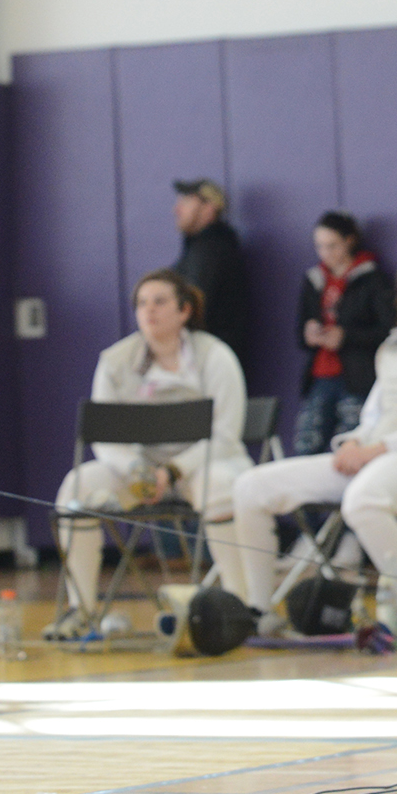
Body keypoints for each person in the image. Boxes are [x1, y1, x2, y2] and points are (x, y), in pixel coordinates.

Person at [232, 243, 397, 647]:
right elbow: (375, 411)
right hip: (376, 460)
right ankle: (258, 610)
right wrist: (354, 442)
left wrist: (377, 449)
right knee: (251, 487)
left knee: (362, 500)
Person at [49, 269, 250, 640]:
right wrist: (139, 470)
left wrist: (172, 471)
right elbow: (106, 436)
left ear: (184, 311)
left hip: (202, 465)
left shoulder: (216, 356)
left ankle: (240, 608)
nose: (149, 311)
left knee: (224, 486)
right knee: (77, 487)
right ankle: (82, 610)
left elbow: (225, 433)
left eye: (160, 302)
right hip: (138, 471)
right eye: (142, 303)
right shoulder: (114, 360)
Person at [295, 212, 393, 458]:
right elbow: (299, 332)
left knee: (351, 444)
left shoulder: (371, 279)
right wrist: (309, 334)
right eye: (319, 246)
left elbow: (388, 331)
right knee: (307, 443)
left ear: (349, 241)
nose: (324, 253)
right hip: (320, 376)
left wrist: (346, 337)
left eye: (332, 246)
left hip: (357, 377)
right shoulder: (314, 280)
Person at [172, 178, 249, 364]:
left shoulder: (211, 250)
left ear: (209, 208)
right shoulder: (200, 248)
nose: (177, 209)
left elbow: (195, 305)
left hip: (207, 361)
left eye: (187, 201)